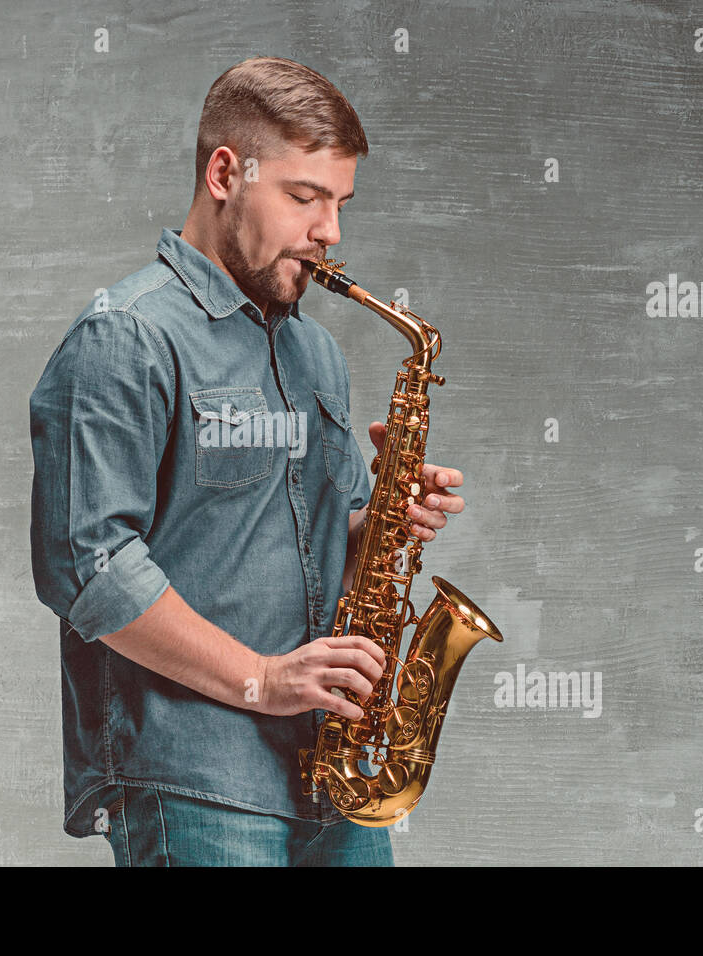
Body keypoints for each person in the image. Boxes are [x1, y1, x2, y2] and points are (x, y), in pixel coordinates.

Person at [28, 56, 466, 866]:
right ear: (226, 172)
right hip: (200, 779)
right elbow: (88, 569)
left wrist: (384, 525)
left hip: (336, 772)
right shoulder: (125, 337)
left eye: (340, 204)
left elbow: (320, 557)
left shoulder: (317, 355)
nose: (329, 231)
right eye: (305, 197)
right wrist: (265, 679)